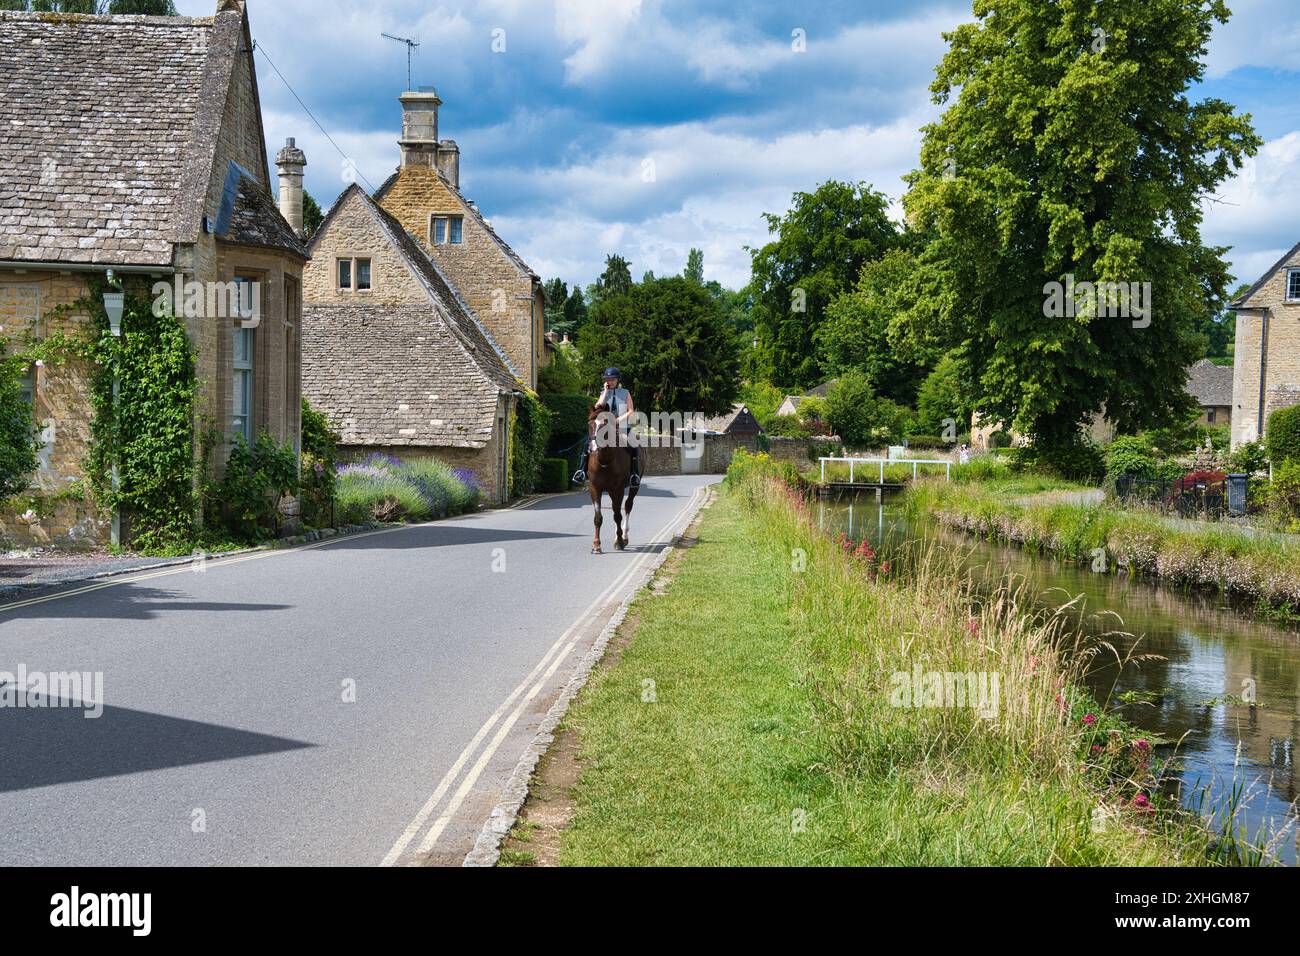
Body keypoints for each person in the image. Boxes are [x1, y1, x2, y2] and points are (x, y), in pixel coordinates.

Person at [573, 368, 641, 486]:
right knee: (587, 444)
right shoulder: (604, 393)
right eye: (608, 380)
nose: (610, 381)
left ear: (617, 380)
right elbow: (597, 406)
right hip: (605, 426)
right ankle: (581, 472)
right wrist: (604, 392)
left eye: (612, 379)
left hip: (622, 426)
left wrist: (617, 420)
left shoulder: (625, 392)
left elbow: (630, 411)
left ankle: (634, 474)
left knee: (632, 445)